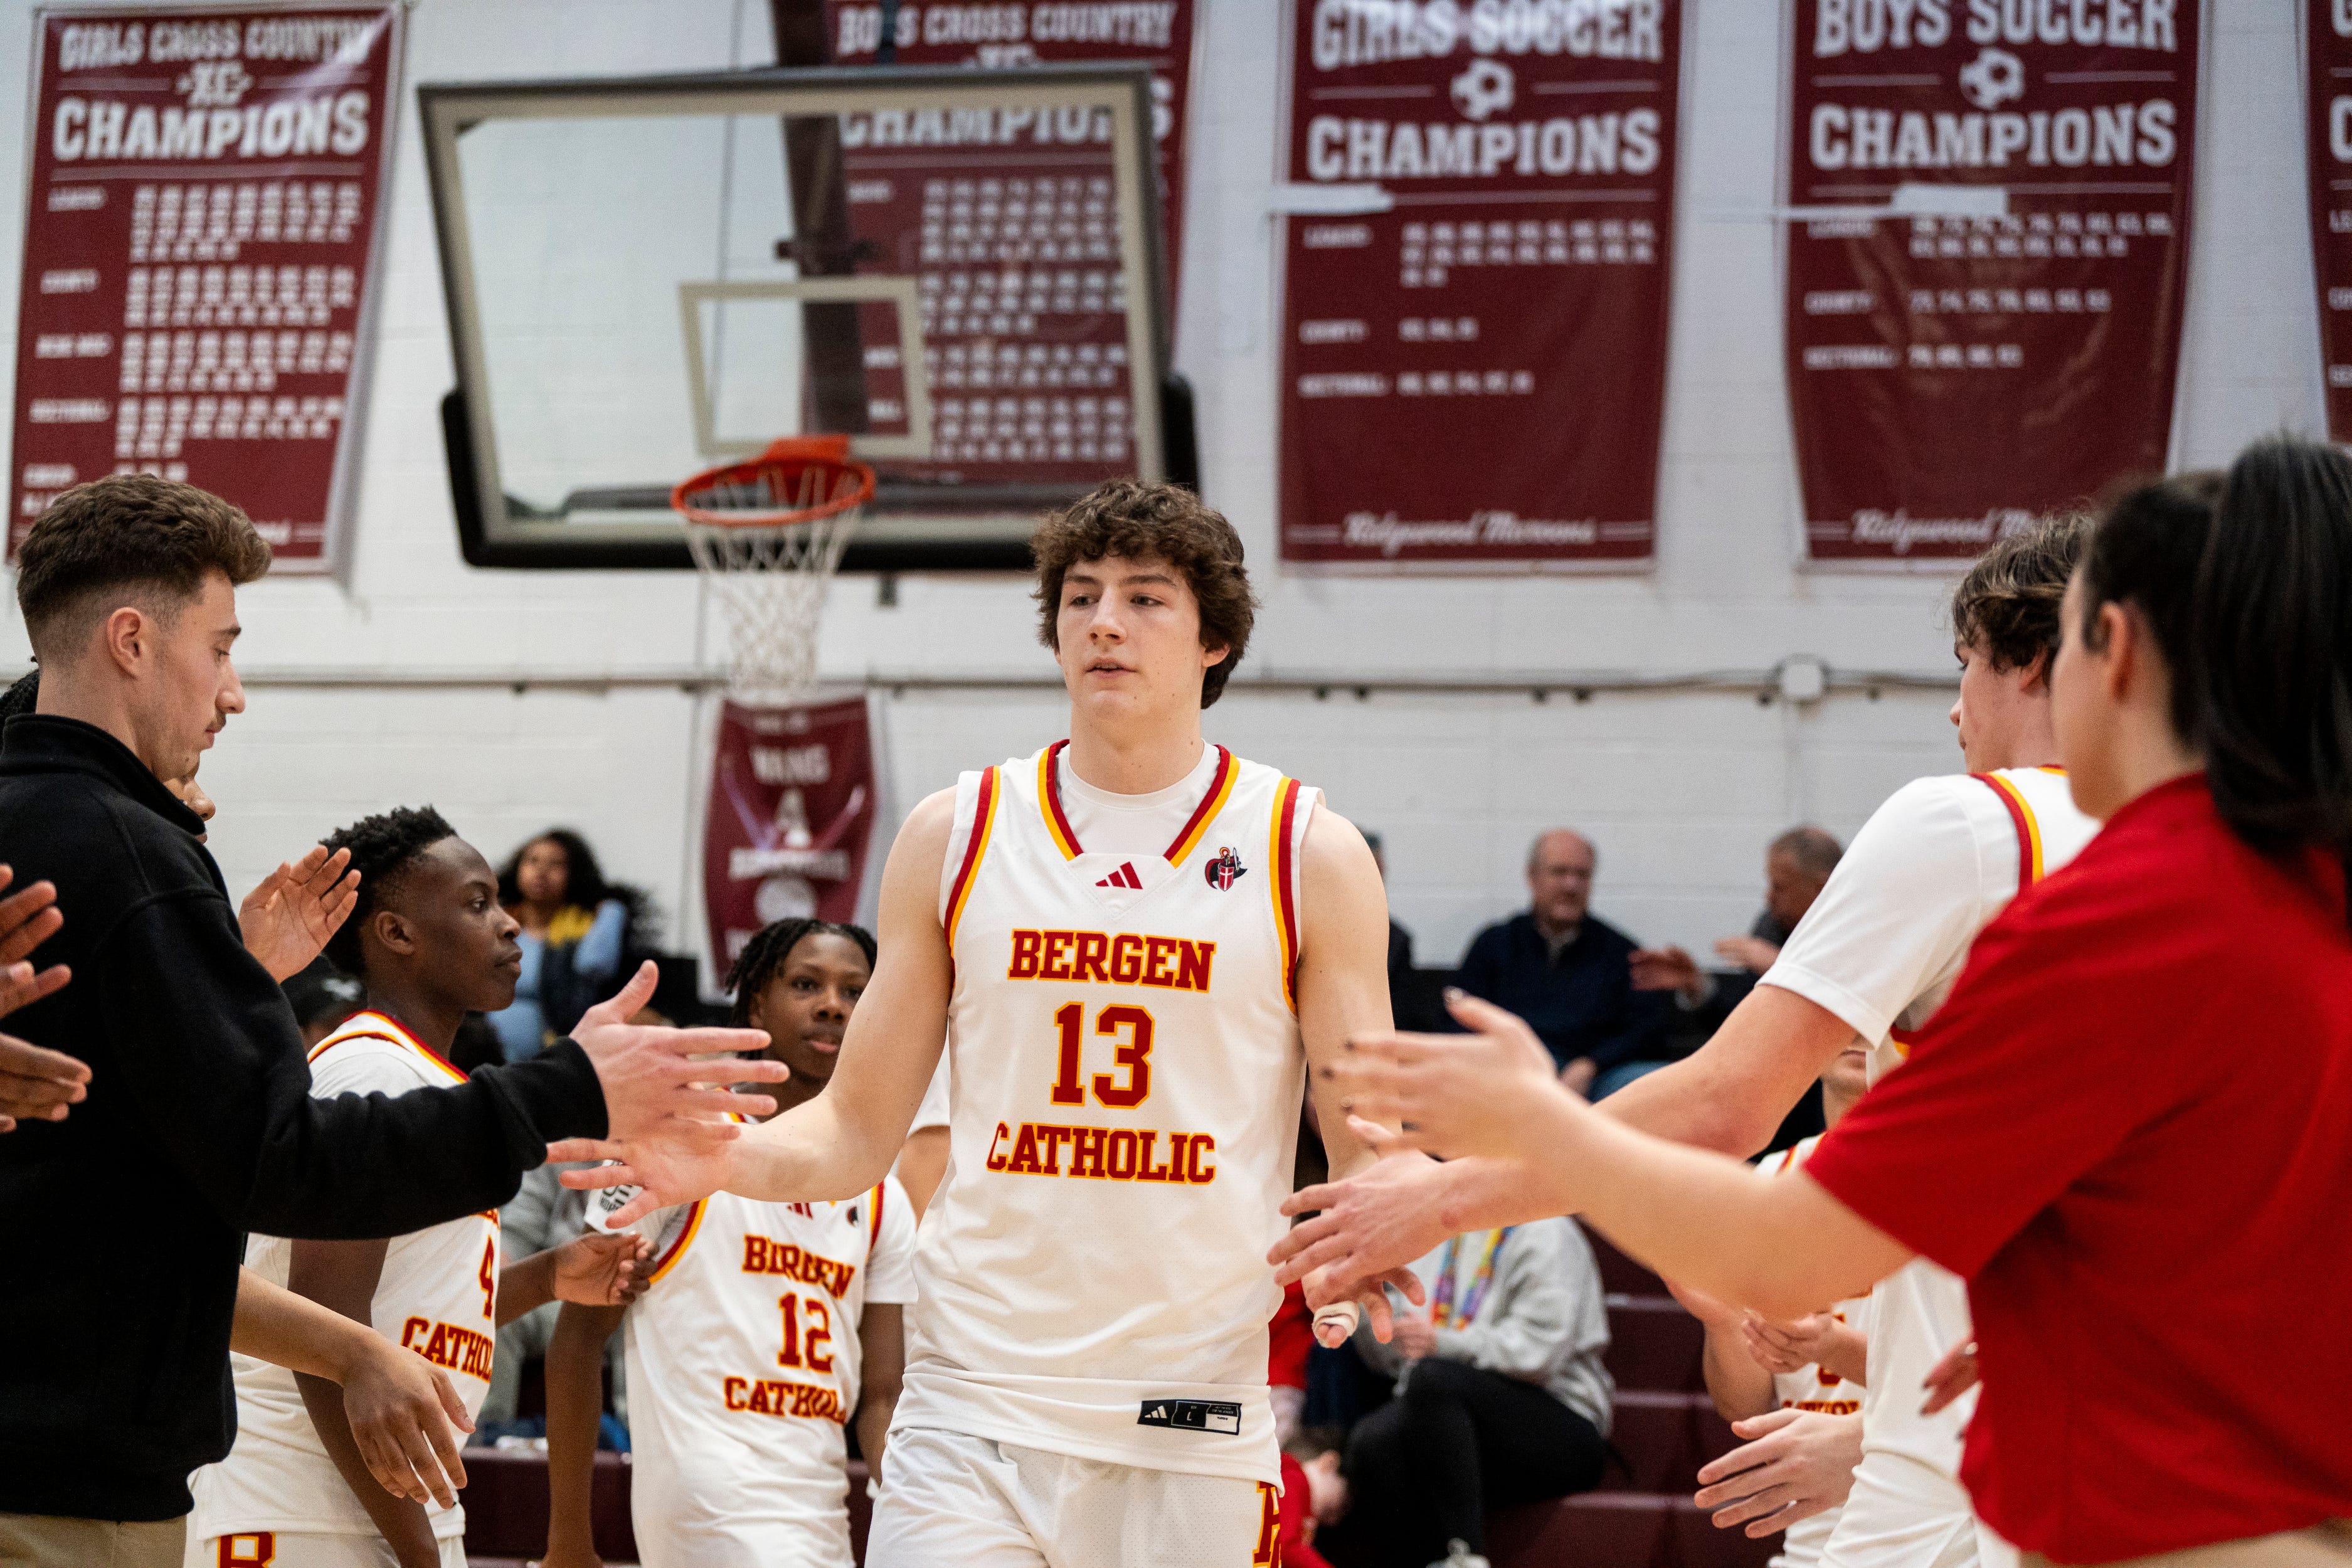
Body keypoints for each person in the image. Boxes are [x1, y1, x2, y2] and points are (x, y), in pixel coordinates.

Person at [1314, 452, 2352, 1568]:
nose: (1954, 709)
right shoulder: (2298, 885)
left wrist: (1520, 1136)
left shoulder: (2088, 883)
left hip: (2144, 1515)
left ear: (2112, 658)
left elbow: (1777, 1233)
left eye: (1969, 666)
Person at [551, 479, 1410, 1567]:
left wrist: (1386, 1218)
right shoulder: (958, 833)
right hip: (974, 1412)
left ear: (1217, 642)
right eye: (1082, 596)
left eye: (1147, 598)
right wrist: (716, 1158)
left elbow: (1367, 1126)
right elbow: (856, 1130)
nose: (1105, 620)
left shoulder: (1307, 851)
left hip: (1186, 1412)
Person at [1274, 511, 2106, 1568]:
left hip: (1967, 1477)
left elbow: (1724, 1102)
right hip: (2105, 1432)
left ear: (2030, 660)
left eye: (1965, 667)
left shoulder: (1978, 824)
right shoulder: (2215, 857)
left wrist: (1438, 1196)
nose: (1953, 710)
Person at [0, 475, 783, 1564]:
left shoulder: (59, 824)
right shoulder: (131, 855)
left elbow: (127, 1210)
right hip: (147, 1493)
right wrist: (573, 1084)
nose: (234, 693)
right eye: (220, 649)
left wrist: (232, 980)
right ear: (131, 641)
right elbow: (282, 1166)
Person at [188, 805, 658, 1568]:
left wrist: (545, 1277)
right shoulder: (369, 1068)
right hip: (306, 1508)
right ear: (397, 933)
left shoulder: (425, 1081)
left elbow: (407, 1317)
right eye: (477, 903)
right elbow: (326, 1324)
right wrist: (420, 1555)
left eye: (502, 903)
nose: (510, 926)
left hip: (386, 1503)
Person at [540, 917, 916, 1568]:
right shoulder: (683, 1137)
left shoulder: (882, 1191)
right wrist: (568, 1537)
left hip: (818, 1510)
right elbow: (576, 1339)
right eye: (806, 983)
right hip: (707, 1499)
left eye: (855, 992)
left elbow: (881, 1396)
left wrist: (912, 1503)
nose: (833, 1003)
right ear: (757, 1001)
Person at [1672, 1044, 1873, 1567]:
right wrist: (1722, 1322)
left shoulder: (1956, 1176)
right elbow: (1747, 1408)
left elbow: (1979, 1387)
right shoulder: (1768, 1181)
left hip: (1927, 1510)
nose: (1858, 1026)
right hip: (1811, 1534)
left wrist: (1837, 1355)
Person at [1317, 1217, 1612, 1568]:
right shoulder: (1438, 1230)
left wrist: (1443, 1344)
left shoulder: (1549, 1231)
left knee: (1434, 1380)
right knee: (1372, 1441)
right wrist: (1366, 1305)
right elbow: (1395, 1358)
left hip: (1558, 1421)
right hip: (1448, 1421)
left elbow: (1540, 1353)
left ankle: (1466, 1557)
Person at [1455, 830, 1666, 1098]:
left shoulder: (1621, 952)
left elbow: (1645, 1030)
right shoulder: (1495, 944)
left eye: (1582, 875)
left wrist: (1591, 1064)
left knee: (1651, 1081)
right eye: (1559, 873)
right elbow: (1458, 1018)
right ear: (1532, 877)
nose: (1571, 885)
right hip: (1509, 1076)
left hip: (1592, 1081)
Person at [1633, 827, 1843, 1033]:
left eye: (1780, 887)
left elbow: (1845, 1015)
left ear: (1822, 886)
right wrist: (1697, 983)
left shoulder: (1853, 931)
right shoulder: (1772, 924)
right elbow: (1745, 1020)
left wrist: (1781, 968)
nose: (1769, 897)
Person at [489, 830, 640, 1062]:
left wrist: (612, 911)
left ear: (575, 874)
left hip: (552, 1062)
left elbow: (595, 965)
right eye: (532, 861)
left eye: (556, 864)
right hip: (482, 1054)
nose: (541, 872)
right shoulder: (497, 924)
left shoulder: (583, 930)